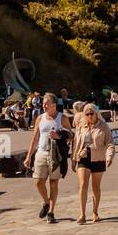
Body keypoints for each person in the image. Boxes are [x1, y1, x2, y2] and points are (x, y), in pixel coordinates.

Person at [23, 93, 70, 224]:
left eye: (46, 103)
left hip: (56, 154)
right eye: (43, 103)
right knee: (38, 181)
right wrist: (28, 157)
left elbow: (71, 136)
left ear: (54, 105)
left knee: (53, 182)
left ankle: (51, 212)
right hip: (41, 153)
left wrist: (59, 136)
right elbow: (34, 138)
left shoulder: (63, 118)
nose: (43, 105)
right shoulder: (39, 118)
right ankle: (46, 202)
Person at [74, 104, 115, 224]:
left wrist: (109, 156)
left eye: (92, 114)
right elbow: (76, 143)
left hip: (98, 158)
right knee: (82, 185)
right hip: (83, 157)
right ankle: (82, 214)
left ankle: (95, 212)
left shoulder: (103, 127)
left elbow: (110, 143)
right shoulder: (82, 126)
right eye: (87, 114)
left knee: (95, 186)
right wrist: (73, 159)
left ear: (96, 114)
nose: (89, 116)